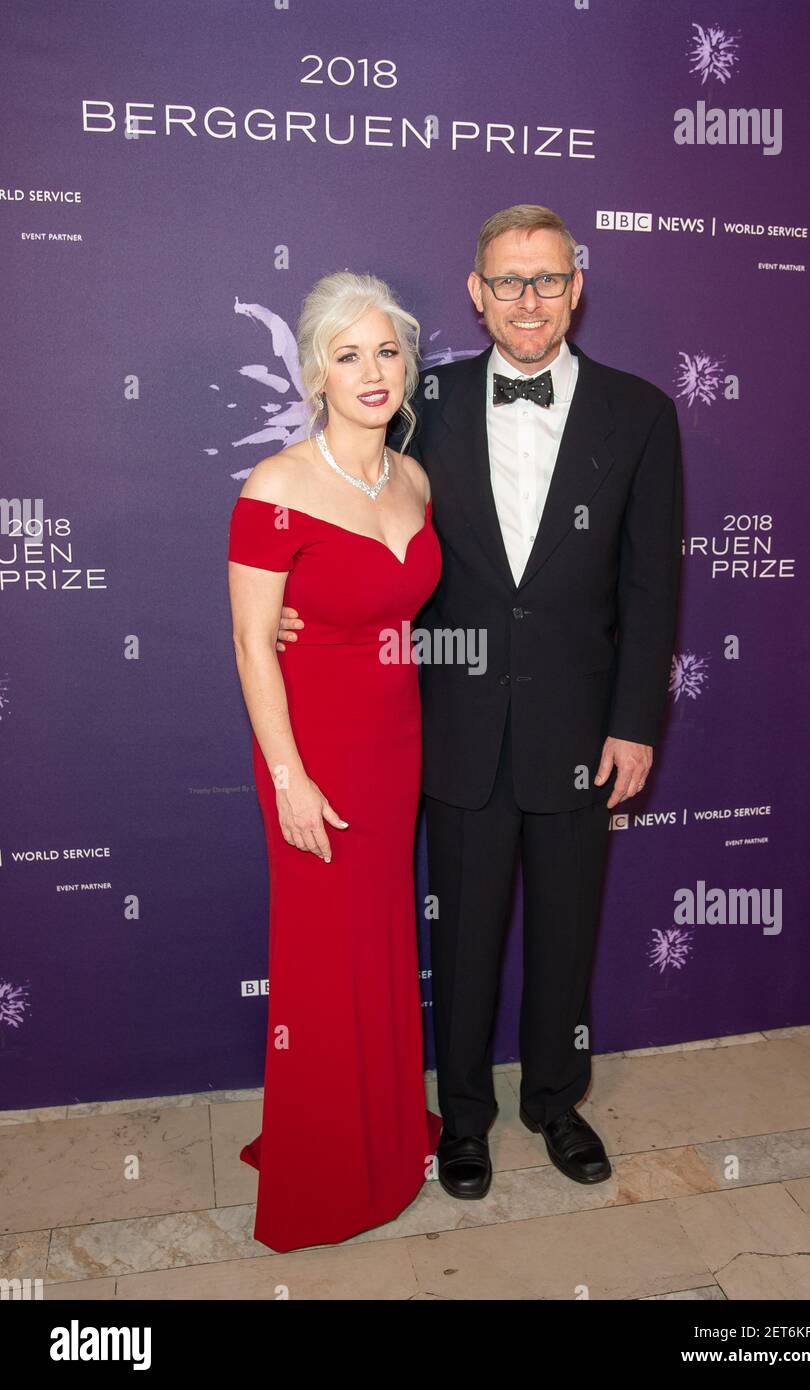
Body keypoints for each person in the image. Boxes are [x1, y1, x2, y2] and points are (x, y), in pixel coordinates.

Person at [277, 204, 683, 1200]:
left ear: (574, 286)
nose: (528, 300)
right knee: (458, 940)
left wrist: (634, 722)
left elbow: (649, 586)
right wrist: (294, 605)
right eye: (507, 281)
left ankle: (553, 1098)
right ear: (476, 293)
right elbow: (336, 497)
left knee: (566, 926)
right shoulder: (426, 402)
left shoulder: (638, 413)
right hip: (450, 725)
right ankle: (461, 1120)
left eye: (546, 279)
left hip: (580, 728)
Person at [227, 271, 443, 1252]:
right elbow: (250, 643)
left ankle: (387, 1130)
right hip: (314, 750)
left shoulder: (413, 479)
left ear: (406, 364)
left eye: (386, 351)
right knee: (323, 955)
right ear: (314, 370)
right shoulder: (274, 487)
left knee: (382, 941)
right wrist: (289, 776)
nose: (371, 371)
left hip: (395, 739)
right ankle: (325, 1162)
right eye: (347, 353)